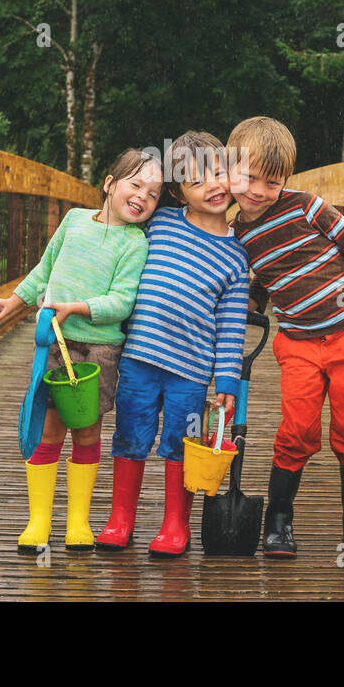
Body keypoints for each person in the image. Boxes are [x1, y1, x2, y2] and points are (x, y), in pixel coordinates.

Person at [226, 116, 344, 563]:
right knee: (297, 429)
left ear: (286, 180)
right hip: (298, 343)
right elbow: (263, 279)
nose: (257, 190)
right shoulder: (235, 233)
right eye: (248, 177)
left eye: (271, 182)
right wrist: (251, 312)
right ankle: (279, 521)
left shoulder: (308, 206)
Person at [0, 148, 161, 553]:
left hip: (99, 350)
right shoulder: (73, 221)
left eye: (153, 194)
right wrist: (14, 302)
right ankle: (39, 522)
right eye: (135, 185)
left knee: (86, 431)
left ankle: (78, 522)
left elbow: (122, 302)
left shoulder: (136, 244)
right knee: (50, 430)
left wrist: (78, 309)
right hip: (55, 343)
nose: (142, 198)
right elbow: (44, 270)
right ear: (109, 183)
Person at [96, 131, 250, 556]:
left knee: (183, 444)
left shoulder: (235, 259)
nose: (214, 186)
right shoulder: (159, 223)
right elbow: (114, 240)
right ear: (178, 192)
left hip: (193, 371)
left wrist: (227, 384)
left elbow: (232, 329)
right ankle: (120, 519)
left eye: (219, 173)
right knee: (130, 434)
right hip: (140, 359)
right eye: (198, 181)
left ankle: (174, 526)